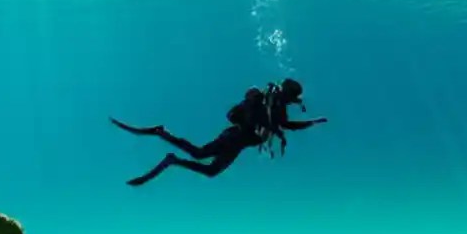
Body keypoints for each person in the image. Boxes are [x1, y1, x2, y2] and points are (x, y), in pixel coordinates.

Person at [110, 78, 327, 186]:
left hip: (236, 140)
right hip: (235, 139)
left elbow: (286, 125)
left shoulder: (276, 108)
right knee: (204, 162)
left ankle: (167, 145)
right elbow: (263, 120)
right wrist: (277, 128)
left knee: (203, 160)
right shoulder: (265, 103)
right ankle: (167, 146)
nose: (293, 101)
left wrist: (312, 123)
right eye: (293, 97)